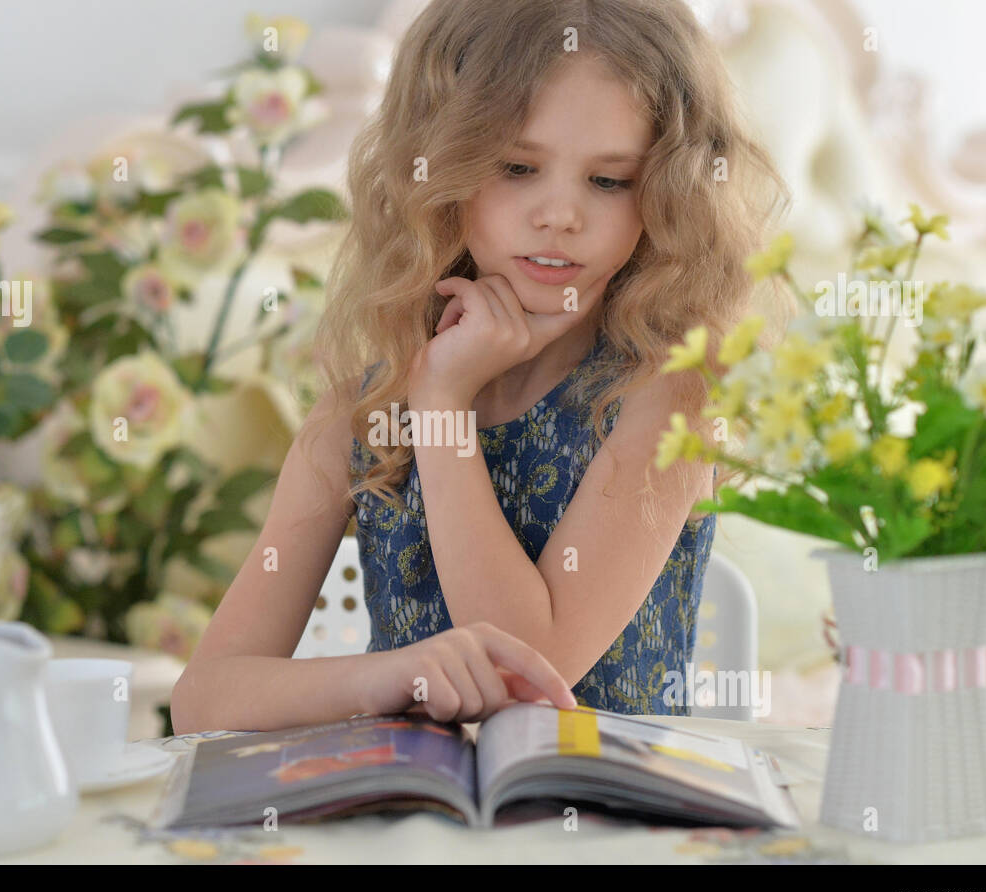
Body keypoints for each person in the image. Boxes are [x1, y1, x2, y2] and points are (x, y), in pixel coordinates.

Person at [171, 0, 790, 734]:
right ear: (441, 170)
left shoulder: (671, 396)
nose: (560, 215)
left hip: (601, 805)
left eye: (609, 180)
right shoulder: (359, 415)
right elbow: (203, 700)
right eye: (517, 168)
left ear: (665, 194)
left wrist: (442, 404)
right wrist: (382, 676)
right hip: (412, 803)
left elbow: (527, 668)